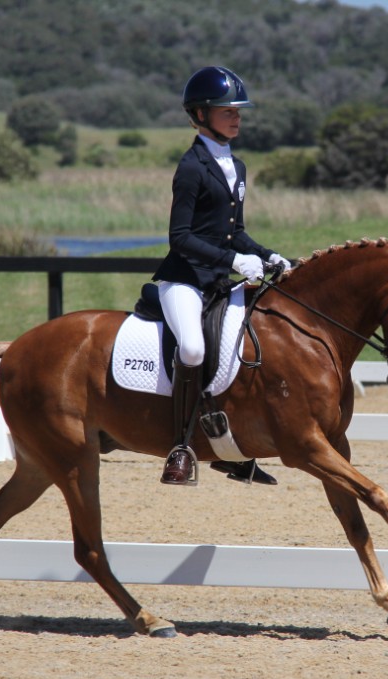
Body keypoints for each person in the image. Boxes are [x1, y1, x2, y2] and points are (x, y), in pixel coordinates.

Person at [152, 65, 290, 486]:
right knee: (193, 350)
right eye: (226, 110)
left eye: (238, 110)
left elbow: (237, 232)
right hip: (185, 280)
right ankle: (181, 446)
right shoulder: (191, 166)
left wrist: (267, 256)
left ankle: (233, 450)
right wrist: (233, 261)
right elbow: (180, 237)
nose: (237, 117)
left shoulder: (238, 166)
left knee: (249, 348)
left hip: (217, 281)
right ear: (200, 114)